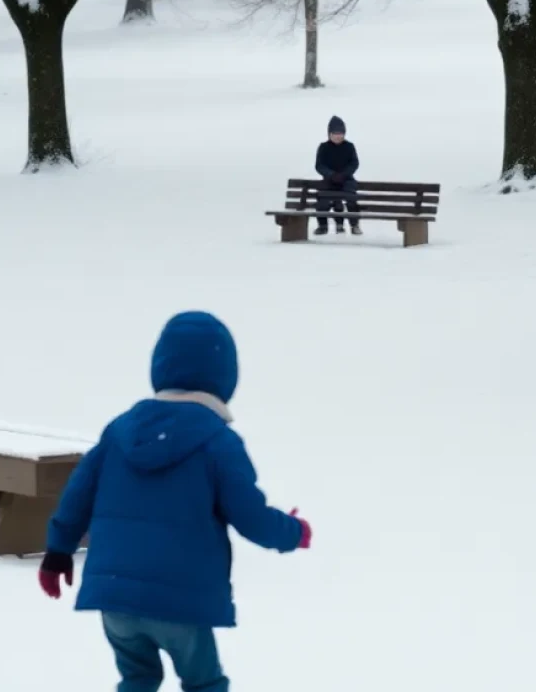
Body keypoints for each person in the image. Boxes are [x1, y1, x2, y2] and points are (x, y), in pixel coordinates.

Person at [37, 311, 311, 692]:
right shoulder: (218, 442)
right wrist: (292, 532)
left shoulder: (118, 432)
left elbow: (76, 497)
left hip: (114, 598)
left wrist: (57, 552)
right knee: (203, 683)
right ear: (225, 377)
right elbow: (250, 515)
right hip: (180, 604)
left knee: (138, 678)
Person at [315, 115, 361, 236]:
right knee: (322, 200)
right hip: (329, 180)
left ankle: (354, 225)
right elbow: (319, 165)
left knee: (351, 199)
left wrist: (344, 175)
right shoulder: (323, 147)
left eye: (341, 133)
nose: (338, 136)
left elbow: (354, 163)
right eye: (335, 133)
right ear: (329, 134)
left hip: (346, 180)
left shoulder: (349, 147)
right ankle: (322, 225)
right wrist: (331, 175)